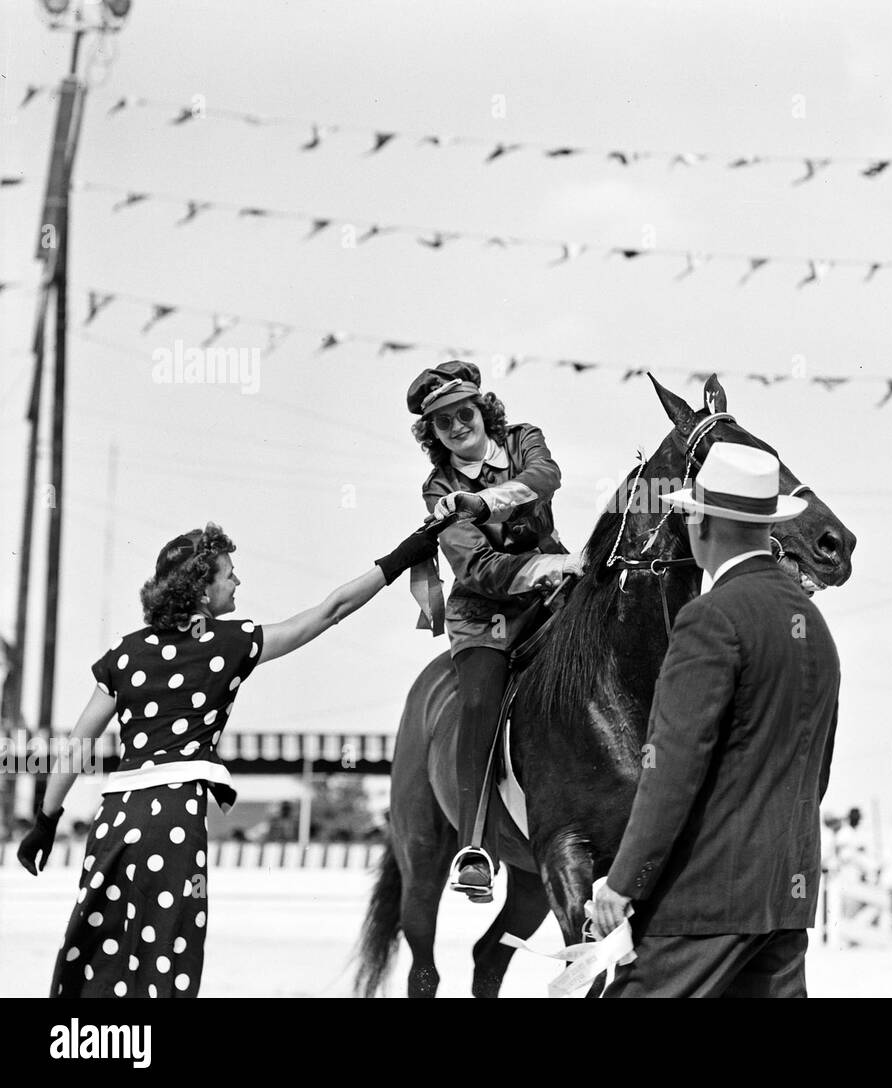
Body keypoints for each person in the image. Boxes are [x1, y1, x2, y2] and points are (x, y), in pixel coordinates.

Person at [18, 519, 443, 998]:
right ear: (202, 590)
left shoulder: (125, 653)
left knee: (99, 948)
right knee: (165, 950)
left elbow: (77, 745)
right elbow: (330, 611)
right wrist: (399, 559)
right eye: (228, 573)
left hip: (114, 818)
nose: (237, 580)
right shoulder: (229, 642)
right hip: (173, 815)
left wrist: (46, 821)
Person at [590, 442, 840, 998]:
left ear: (700, 524)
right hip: (785, 896)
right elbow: (815, 773)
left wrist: (623, 882)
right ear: (768, 527)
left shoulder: (709, 618)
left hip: (704, 902)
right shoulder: (812, 624)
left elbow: (672, 769)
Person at [406, 361, 584, 901]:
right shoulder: (438, 486)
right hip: (486, 614)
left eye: (464, 412)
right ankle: (474, 847)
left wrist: (482, 503)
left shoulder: (523, 438)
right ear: (433, 433)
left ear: (482, 410)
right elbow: (478, 567)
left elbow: (546, 477)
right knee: (481, 701)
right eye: (443, 422)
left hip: (556, 590)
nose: (457, 426)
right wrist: (545, 566)